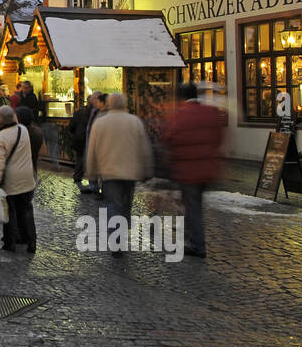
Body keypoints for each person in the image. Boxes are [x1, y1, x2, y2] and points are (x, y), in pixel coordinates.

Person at [85, 93, 155, 256]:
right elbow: (145, 148)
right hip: (130, 172)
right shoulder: (134, 121)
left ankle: (116, 241)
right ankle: (120, 236)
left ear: (109, 104)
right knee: (125, 205)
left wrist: (92, 173)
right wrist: (147, 168)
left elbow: (92, 151)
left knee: (113, 205)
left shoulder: (100, 123)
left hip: (109, 172)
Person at [163, 82, 225, 258]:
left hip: (187, 170)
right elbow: (219, 137)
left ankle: (197, 244)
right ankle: (193, 238)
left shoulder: (179, 116)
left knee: (192, 206)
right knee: (194, 204)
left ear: (181, 98)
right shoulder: (210, 113)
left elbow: (168, 139)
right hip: (208, 169)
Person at [0, 105, 38, 254]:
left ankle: (10, 244)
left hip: (10, 182)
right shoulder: (23, 130)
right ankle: (31, 242)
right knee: (26, 210)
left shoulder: (0, 138)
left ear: (0, 120)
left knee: (8, 212)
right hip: (27, 179)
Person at [70, 92, 105, 195]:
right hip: (86, 141)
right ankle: (95, 187)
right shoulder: (97, 113)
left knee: (84, 160)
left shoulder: (94, 113)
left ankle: (86, 181)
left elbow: (72, 126)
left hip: (85, 141)